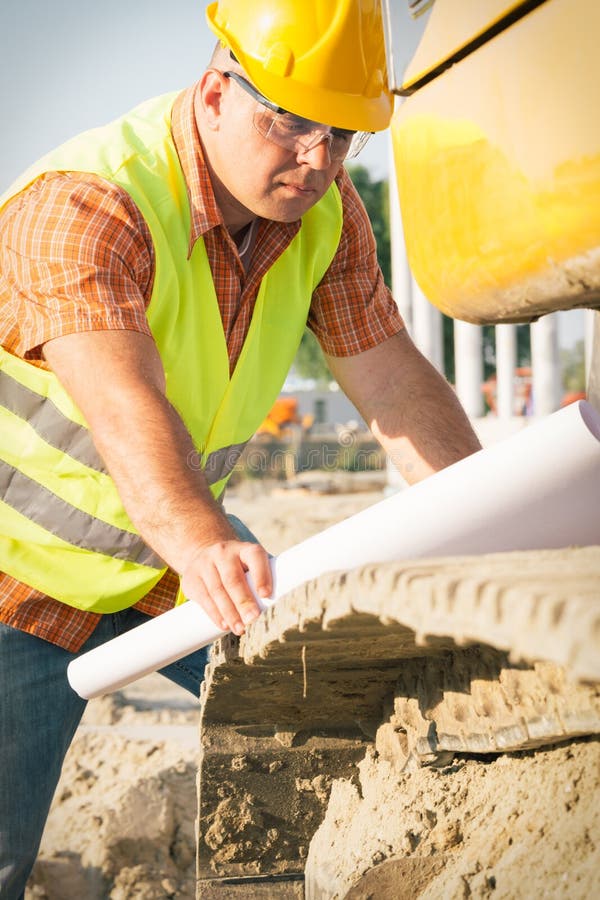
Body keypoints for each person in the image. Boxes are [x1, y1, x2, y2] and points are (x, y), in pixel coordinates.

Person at [0, 1, 481, 895]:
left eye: (344, 139)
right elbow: (124, 404)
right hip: (17, 585)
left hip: (160, 557)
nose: (319, 161)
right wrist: (204, 543)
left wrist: (492, 525)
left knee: (327, 711)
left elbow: (398, 387)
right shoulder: (84, 204)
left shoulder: (326, 214)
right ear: (217, 91)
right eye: (292, 124)